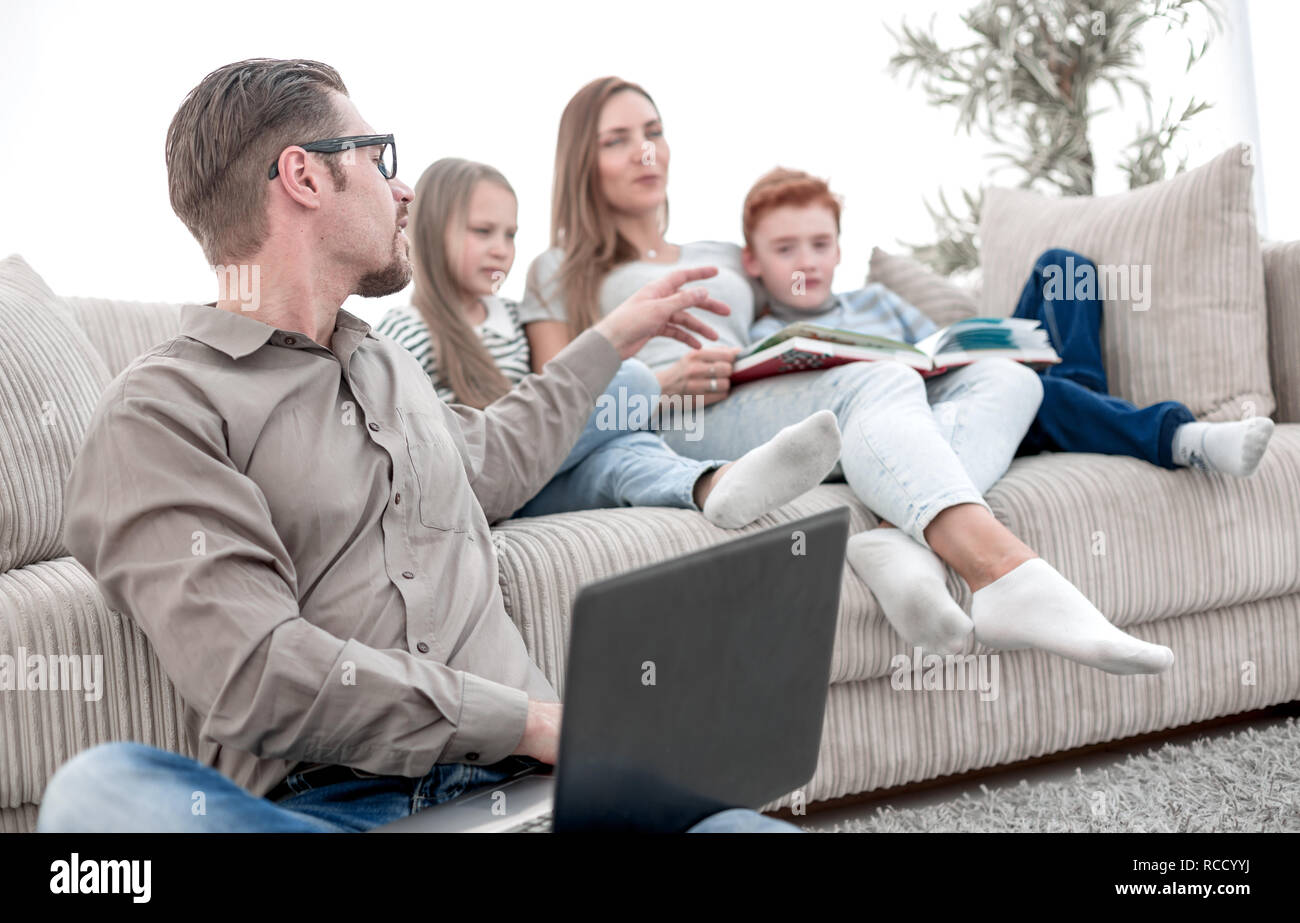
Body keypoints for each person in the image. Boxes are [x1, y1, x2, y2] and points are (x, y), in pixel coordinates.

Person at [35, 58, 800, 834]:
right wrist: (530, 722)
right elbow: (258, 674)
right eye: (378, 157)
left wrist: (609, 340)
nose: (404, 192)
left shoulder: (390, 369)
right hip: (340, 809)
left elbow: (498, 455)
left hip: (545, 798)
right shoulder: (161, 409)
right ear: (302, 176)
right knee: (101, 794)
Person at [516, 75, 1175, 674]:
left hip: (758, 401)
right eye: (618, 141)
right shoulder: (559, 270)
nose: (646, 152)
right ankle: (1005, 572)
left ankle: (898, 543)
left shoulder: (722, 252)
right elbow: (555, 415)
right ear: (583, 161)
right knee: (879, 383)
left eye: (654, 132)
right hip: (679, 421)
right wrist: (660, 384)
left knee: (1010, 380)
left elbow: (807, 310)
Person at [739, 167, 1277, 656]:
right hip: (923, 436)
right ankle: (1181, 439)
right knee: (1046, 394)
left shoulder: (878, 302)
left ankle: (1073, 395)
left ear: (838, 250)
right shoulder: (765, 337)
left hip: (975, 404)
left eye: (819, 244)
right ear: (752, 261)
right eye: (785, 249)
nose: (806, 261)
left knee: (1063, 269)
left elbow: (931, 349)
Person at [373, 157, 841, 528]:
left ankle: (715, 484)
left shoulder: (514, 320)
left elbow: (549, 402)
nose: (501, 248)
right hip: (480, 480)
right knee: (632, 380)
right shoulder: (406, 328)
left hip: (541, 478)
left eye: (511, 234)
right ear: (431, 232)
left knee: (620, 457)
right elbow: (425, 441)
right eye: (483, 231)